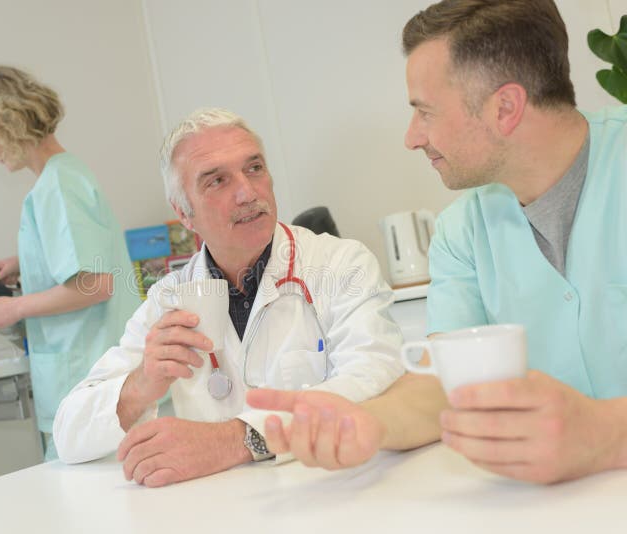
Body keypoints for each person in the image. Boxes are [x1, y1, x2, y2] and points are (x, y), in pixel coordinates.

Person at [248, 0, 627, 483]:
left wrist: (604, 433)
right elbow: (444, 383)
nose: (412, 137)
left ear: (505, 108)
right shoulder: (462, 230)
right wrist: (366, 422)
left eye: (425, 112)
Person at [52, 108, 405, 486]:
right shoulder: (168, 299)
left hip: (330, 491)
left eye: (254, 168)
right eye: (217, 181)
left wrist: (237, 439)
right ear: (184, 213)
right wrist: (141, 384)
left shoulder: (341, 265)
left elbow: (376, 383)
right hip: (218, 504)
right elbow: (68, 437)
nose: (247, 192)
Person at [0, 65, 140, 460]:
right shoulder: (66, 174)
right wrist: (26, 262)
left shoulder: (58, 185)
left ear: (7, 124)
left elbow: (95, 285)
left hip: (90, 385)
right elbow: (86, 257)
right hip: (95, 382)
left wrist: (14, 308)